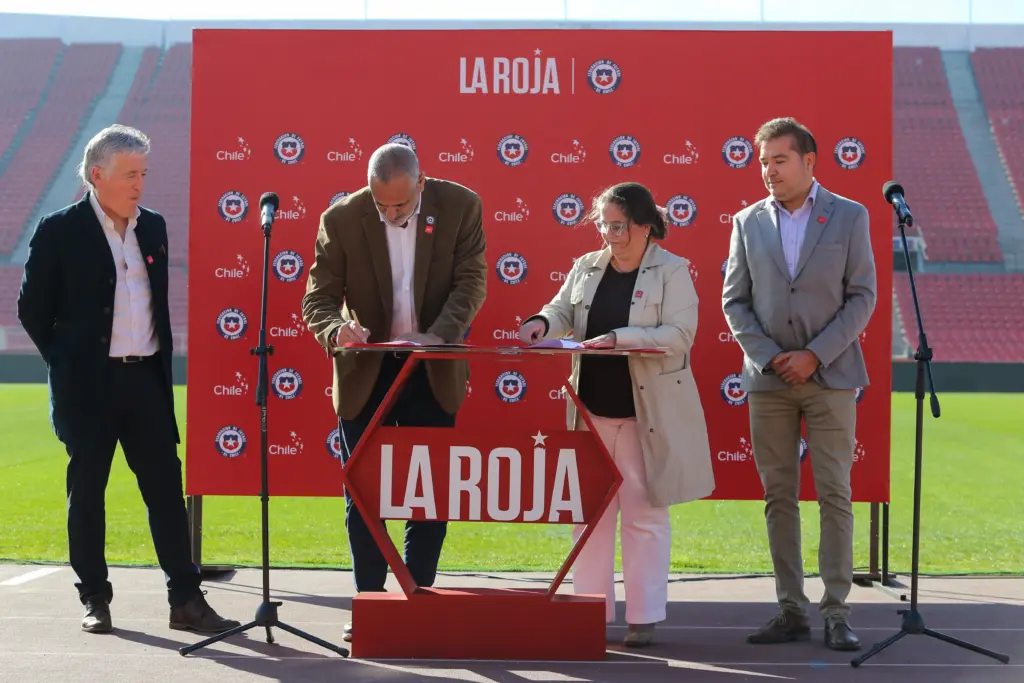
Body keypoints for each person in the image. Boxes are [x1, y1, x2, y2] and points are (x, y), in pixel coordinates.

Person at [16, 124, 239, 635]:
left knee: (164, 491)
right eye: (130, 174)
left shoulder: (154, 227)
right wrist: (67, 363)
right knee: (88, 493)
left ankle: (186, 600)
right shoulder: (59, 229)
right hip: (88, 387)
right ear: (98, 175)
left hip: (146, 383)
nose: (140, 183)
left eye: (144, 173)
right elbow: (32, 310)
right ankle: (95, 597)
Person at [301, 143, 487, 643]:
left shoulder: (461, 205)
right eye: (381, 205)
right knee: (362, 492)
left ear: (421, 184)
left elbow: (471, 282)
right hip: (368, 369)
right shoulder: (341, 218)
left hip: (431, 366)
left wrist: (438, 335)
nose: (389, 214)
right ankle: (371, 602)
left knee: (429, 490)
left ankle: (417, 597)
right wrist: (337, 328)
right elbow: (317, 297)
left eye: (400, 206)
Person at [517, 182, 714, 648]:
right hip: (591, 412)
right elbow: (562, 307)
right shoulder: (586, 266)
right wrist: (541, 323)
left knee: (645, 513)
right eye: (604, 224)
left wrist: (618, 338)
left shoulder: (673, 271)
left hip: (646, 413)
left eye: (619, 225)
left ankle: (643, 618)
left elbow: (679, 334)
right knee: (588, 515)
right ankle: (590, 613)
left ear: (646, 226)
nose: (610, 234)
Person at [722, 117, 877, 652]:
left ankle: (837, 610)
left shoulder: (850, 216)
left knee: (835, 493)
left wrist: (814, 355)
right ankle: (791, 609)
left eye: (778, 160)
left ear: (810, 162)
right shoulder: (746, 221)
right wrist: (770, 357)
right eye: (763, 162)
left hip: (831, 377)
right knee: (778, 495)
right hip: (768, 381)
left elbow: (863, 296)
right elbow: (734, 301)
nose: (768, 171)